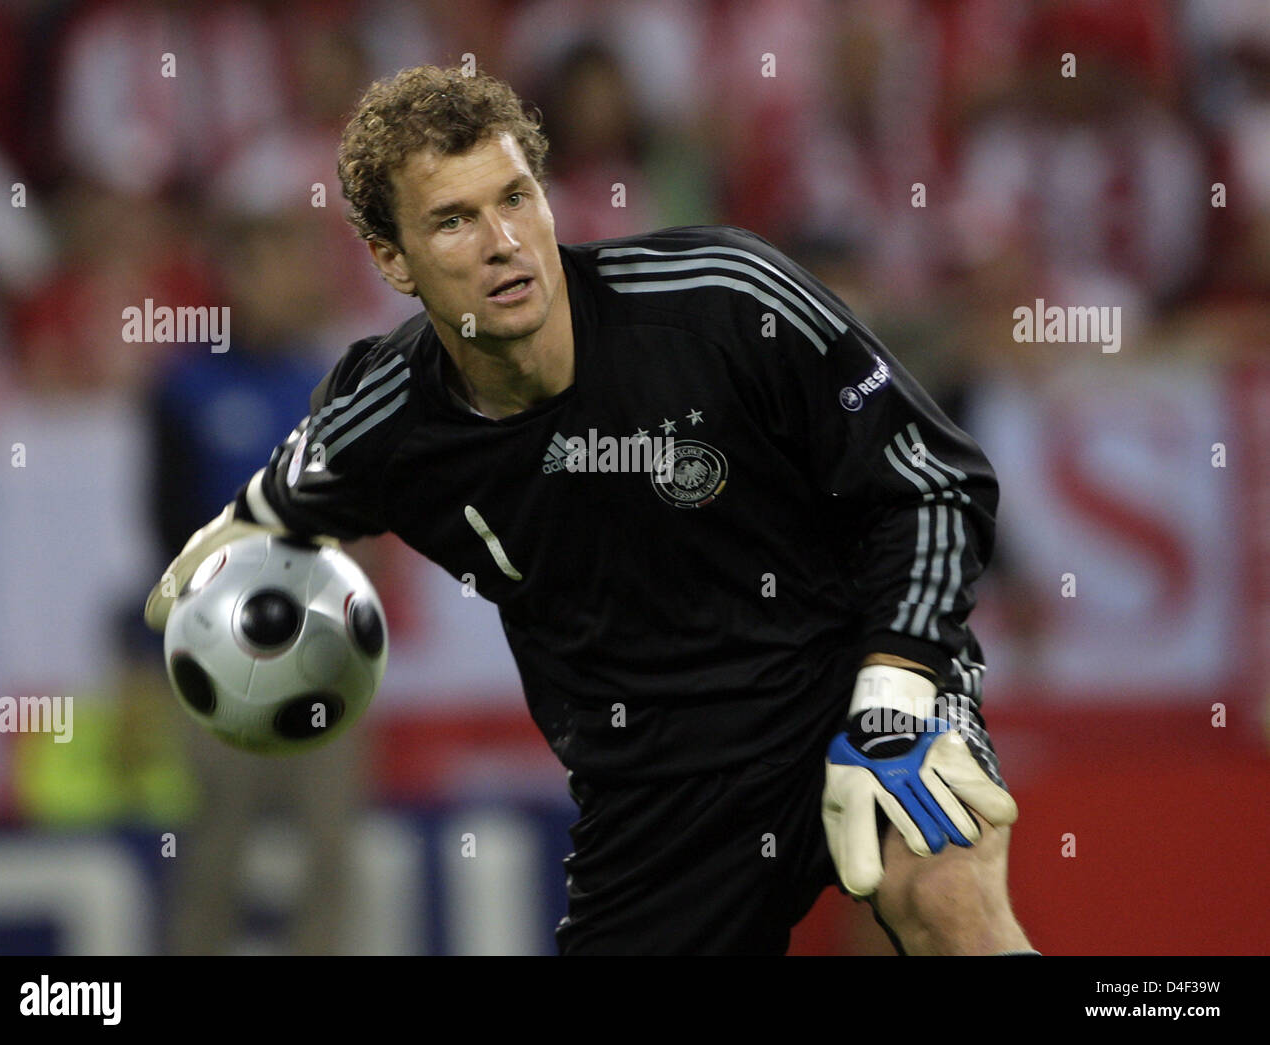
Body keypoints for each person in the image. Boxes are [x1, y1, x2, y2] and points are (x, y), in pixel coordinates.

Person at [145, 65, 1036, 956]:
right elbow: (275, 505)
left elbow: (935, 479)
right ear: (390, 259)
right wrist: (226, 563)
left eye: (515, 198)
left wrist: (898, 680)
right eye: (453, 220)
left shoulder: (729, 299)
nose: (502, 242)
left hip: (855, 687)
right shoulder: (385, 420)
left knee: (941, 894)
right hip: (655, 801)